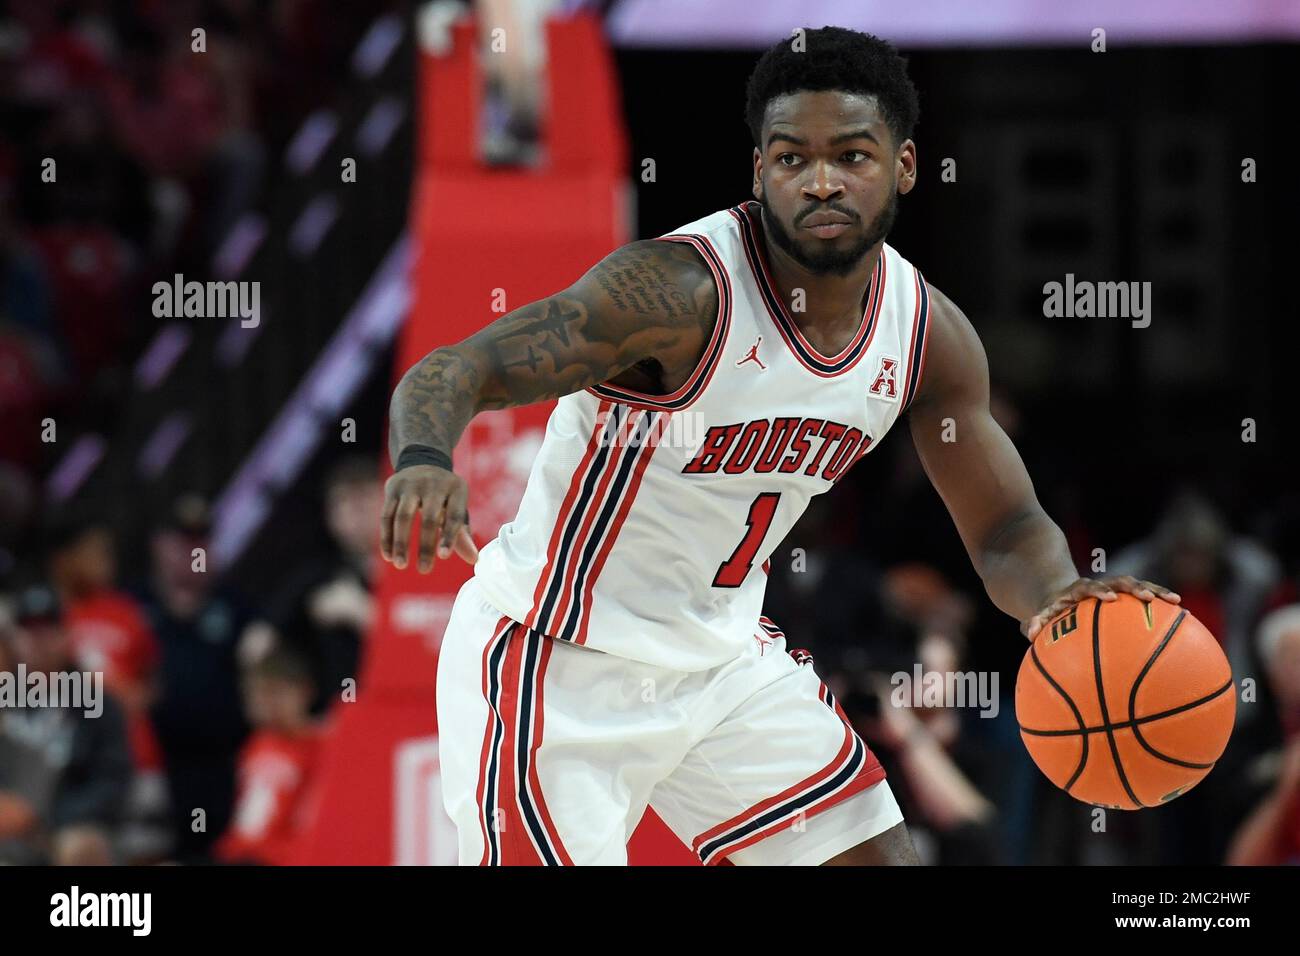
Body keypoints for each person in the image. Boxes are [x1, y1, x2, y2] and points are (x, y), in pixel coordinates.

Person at [381, 26, 1179, 866]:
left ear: (903, 167)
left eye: (853, 156)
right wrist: (426, 460)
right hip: (554, 661)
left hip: (724, 664)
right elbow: (456, 369)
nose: (822, 181)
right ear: (760, 172)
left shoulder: (926, 337)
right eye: (792, 158)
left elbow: (1007, 524)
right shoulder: (676, 293)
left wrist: (1054, 599)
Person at [0, 583, 132, 865]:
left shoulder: (96, 704)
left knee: (82, 846)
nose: (38, 640)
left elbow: (112, 784)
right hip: (6, 828)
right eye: (29, 630)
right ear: (15, 638)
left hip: (63, 831)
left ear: (66, 634)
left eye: (48, 629)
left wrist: (41, 816)